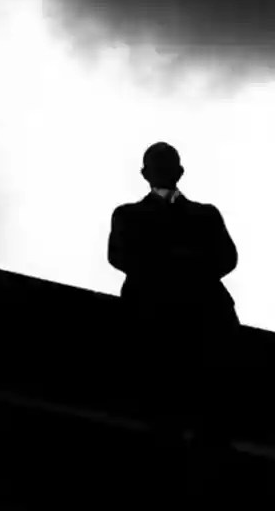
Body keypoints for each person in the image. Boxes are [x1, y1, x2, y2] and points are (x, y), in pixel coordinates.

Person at [107, 141, 240, 503]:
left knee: (207, 417)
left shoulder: (205, 214)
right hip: (154, 322)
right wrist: (176, 261)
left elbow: (227, 257)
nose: (164, 171)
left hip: (203, 323)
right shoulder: (127, 215)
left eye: (168, 165)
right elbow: (118, 255)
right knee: (162, 416)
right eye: (158, 164)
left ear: (178, 172)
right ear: (145, 174)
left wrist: (172, 262)